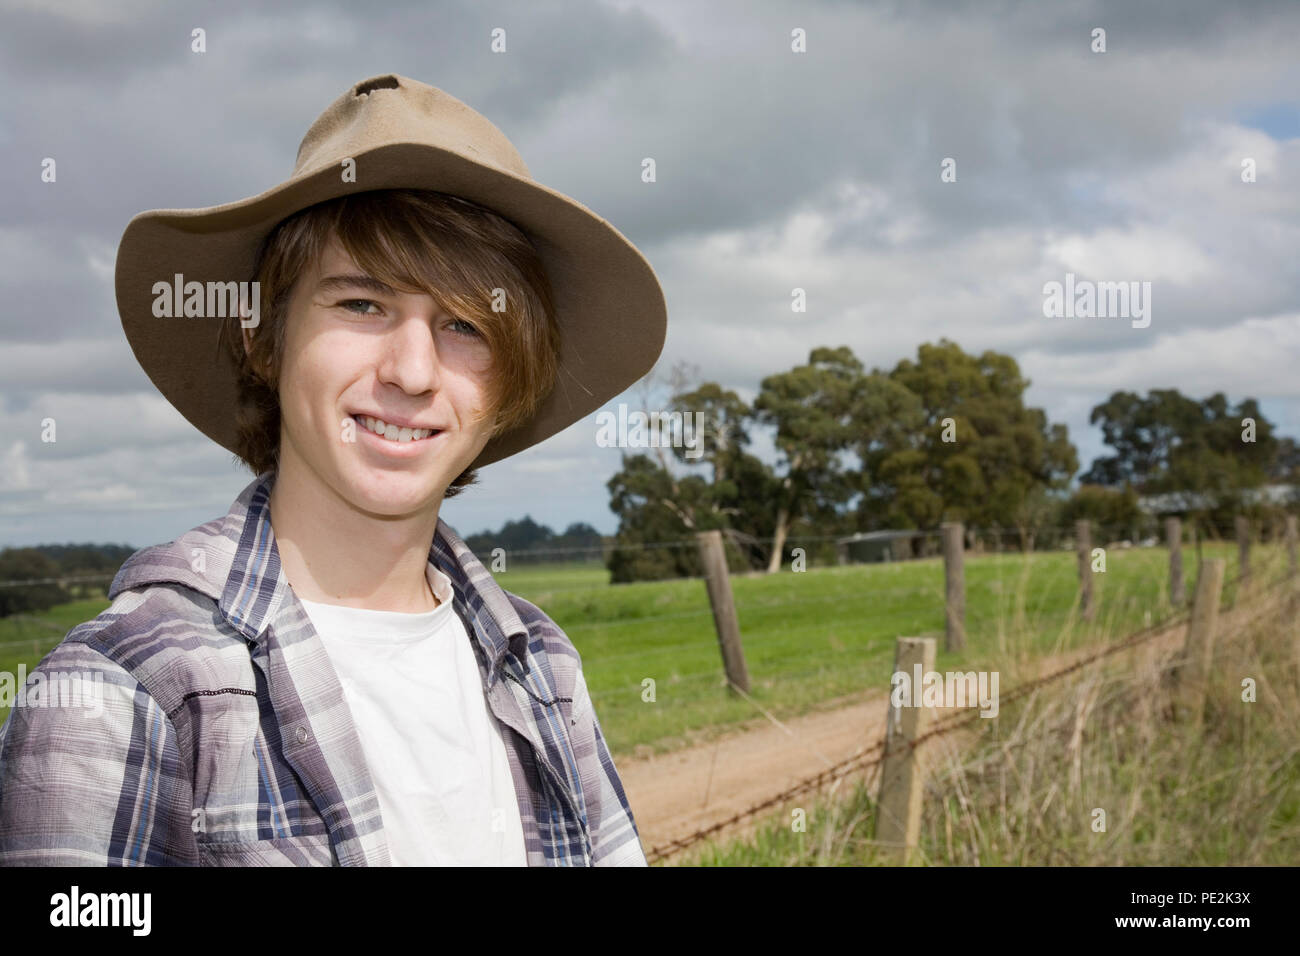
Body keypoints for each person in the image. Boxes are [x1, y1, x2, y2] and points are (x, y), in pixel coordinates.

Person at [0, 73, 667, 866]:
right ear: (262, 337)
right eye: (361, 305)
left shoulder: (541, 667)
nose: (414, 372)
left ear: (509, 382)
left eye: (465, 325)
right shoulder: (126, 692)